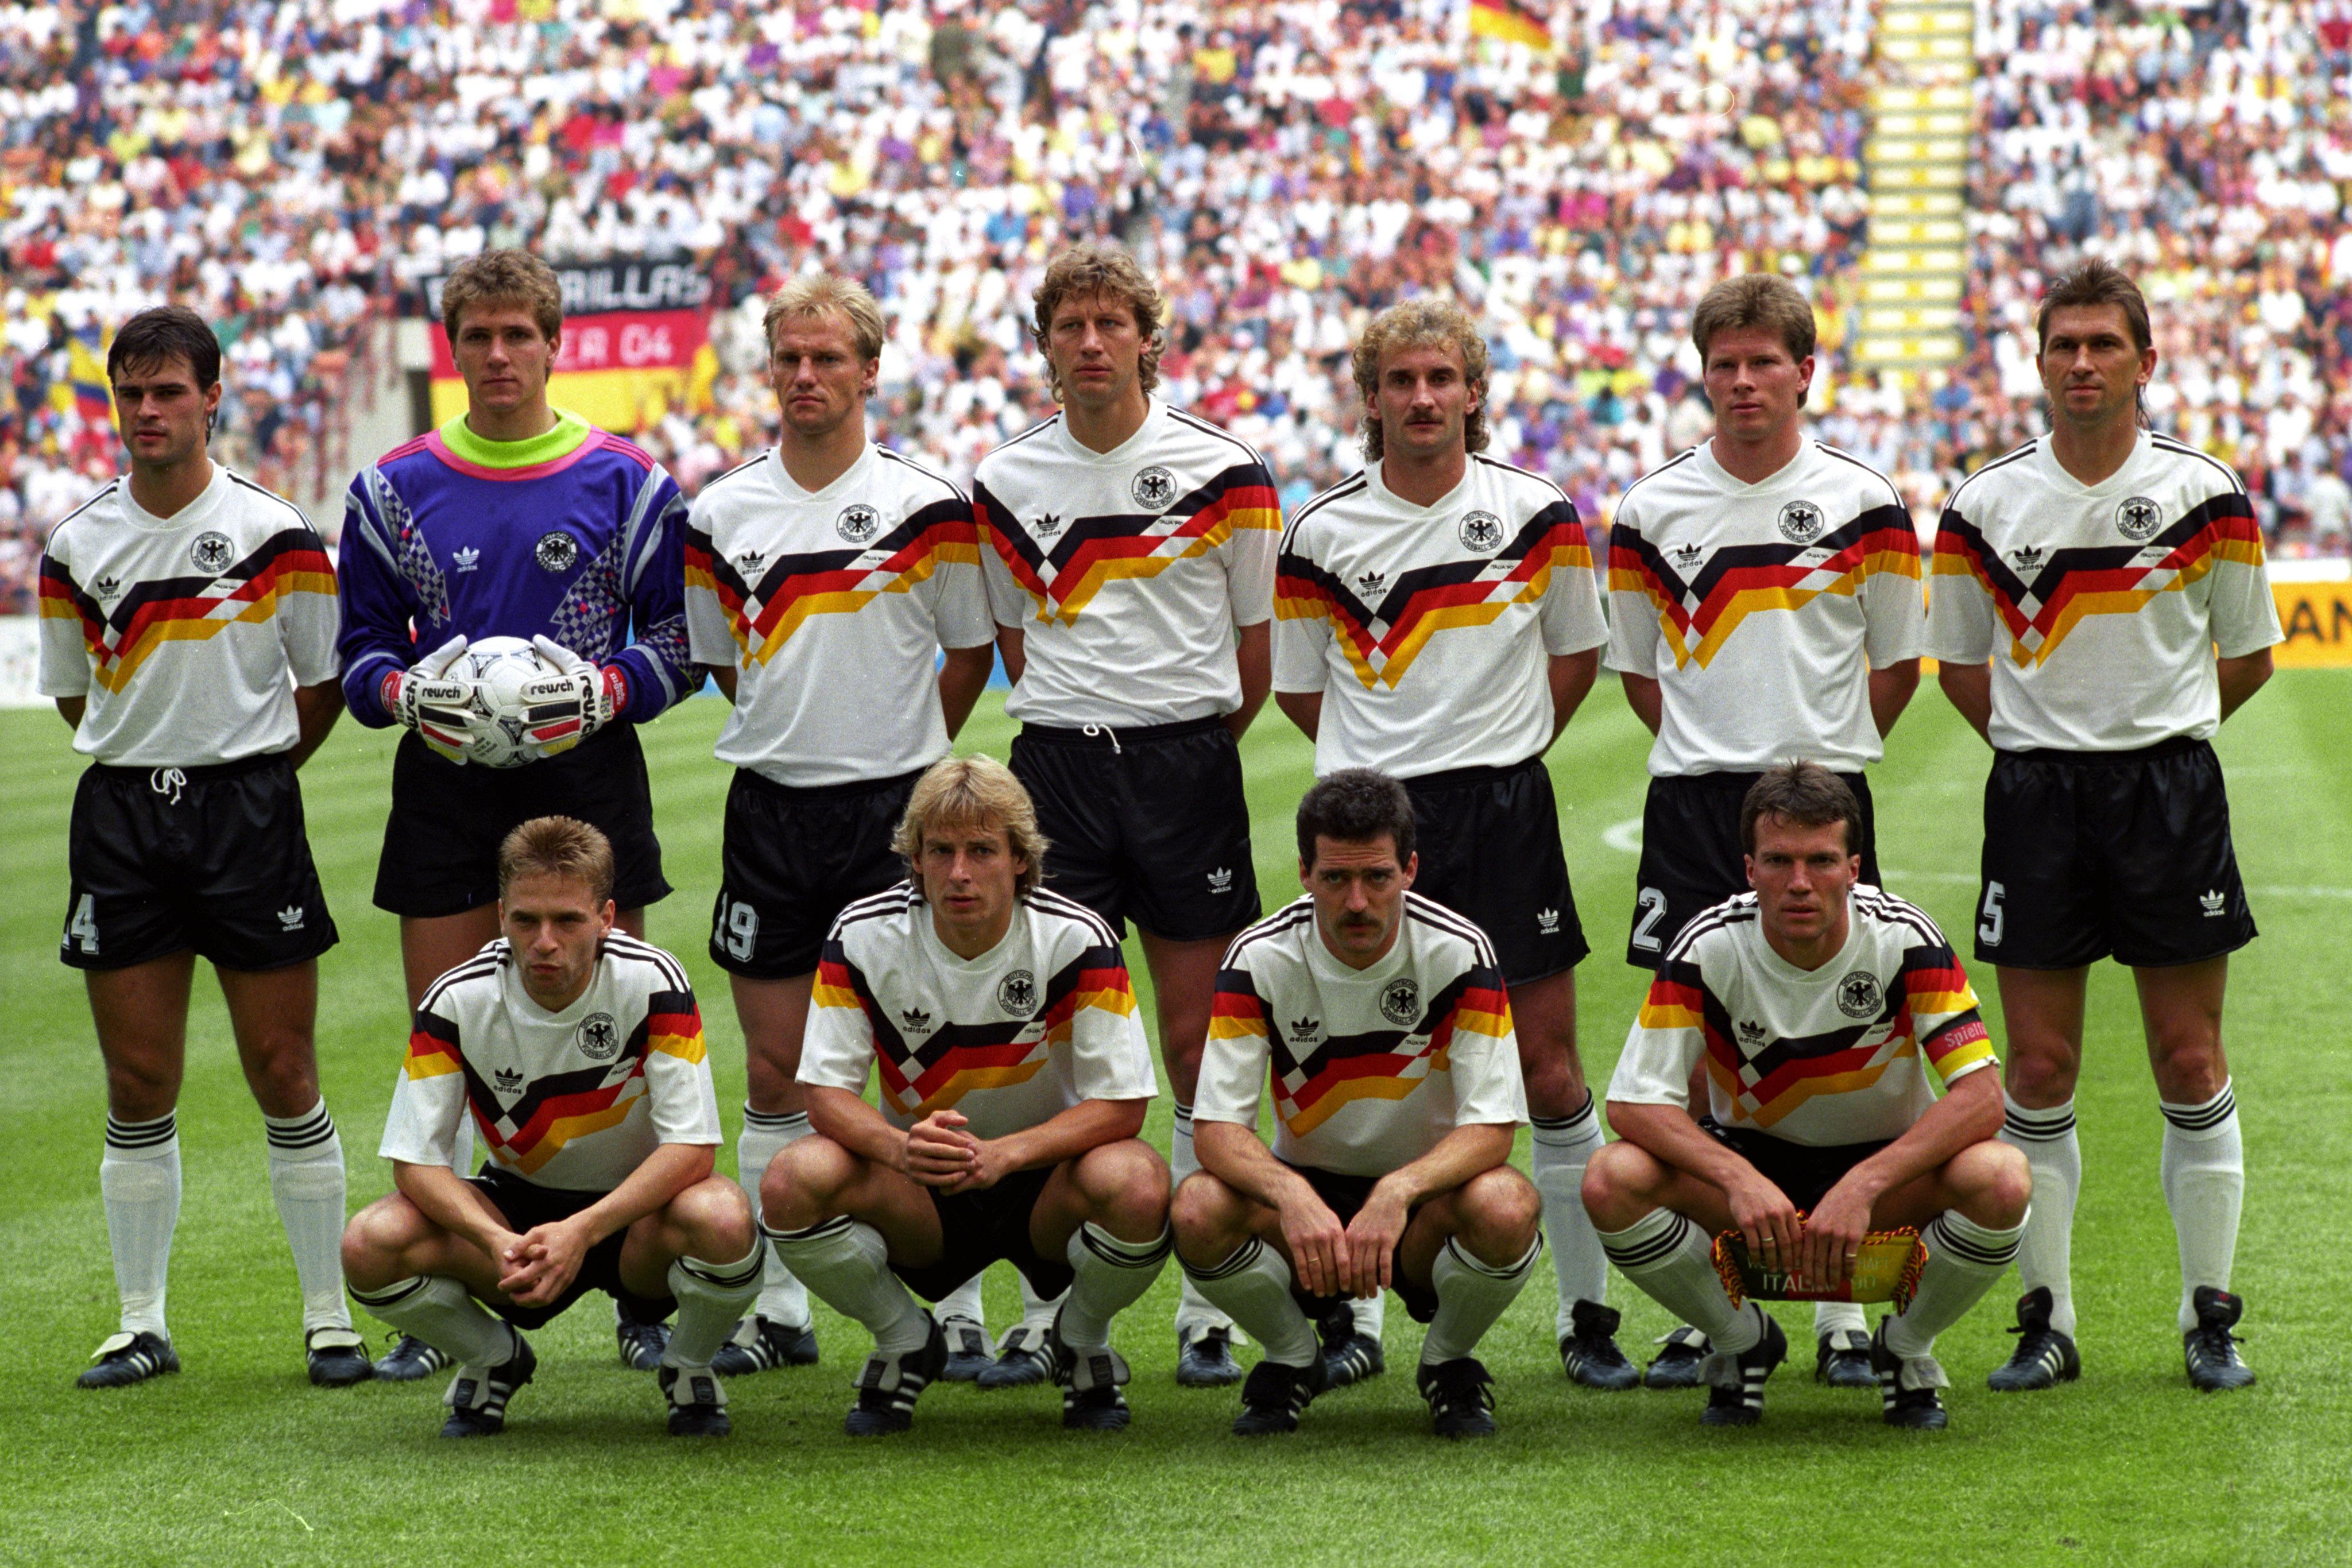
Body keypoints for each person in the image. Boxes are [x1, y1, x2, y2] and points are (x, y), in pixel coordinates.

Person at [337, 249, 697, 1381]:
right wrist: (405, 692)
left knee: (622, 1036)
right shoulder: (391, 488)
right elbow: (356, 661)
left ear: (556, 343)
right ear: (454, 349)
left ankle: (640, 1290)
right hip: (445, 786)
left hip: (587, 775)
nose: (498, 355)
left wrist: (603, 688)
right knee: (443, 1034)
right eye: (477, 336)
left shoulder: (626, 483)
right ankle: (434, 1301)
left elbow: (677, 650)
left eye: (518, 335)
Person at [1926, 260, 2277, 1393]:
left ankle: (2206, 1315)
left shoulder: (2202, 493)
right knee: (2035, 1065)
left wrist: (2151, 734)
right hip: (2034, 797)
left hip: (2166, 794)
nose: (2081, 364)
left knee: (2187, 1056)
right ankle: (2046, 1319)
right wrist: (2048, 745)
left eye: (2103, 345)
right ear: (2036, 363)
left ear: (2143, 362)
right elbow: (1960, 667)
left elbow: (2247, 653)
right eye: (2062, 345)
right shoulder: (1982, 503)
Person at [1271, 296, 1630, 1389]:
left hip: (1502, 810)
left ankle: (1589, 1319)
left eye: (1441, 379)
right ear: (1369, 400)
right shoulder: (1321, 533)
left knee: (1550, 1068)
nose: (1421, 399)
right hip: (1373, 822)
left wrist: (1501, 750)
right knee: (1377, 1073)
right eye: (1399, 382)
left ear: (1474, 391)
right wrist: (1383, 782)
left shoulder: (1536, 513)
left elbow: (1574, 656)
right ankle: (1359, 1322)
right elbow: (1298, 689)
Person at [1605, 273, 1924, 1390]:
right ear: (1702, 372)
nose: (1741, 382)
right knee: (1692, 1063)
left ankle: (1842, 1310)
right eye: (1722, 362)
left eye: (1762, 362)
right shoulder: (1648, 510)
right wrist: (1717, 750)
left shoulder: (1863, 502)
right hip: (1692, 798)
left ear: (1803, 371)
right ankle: (1721, 1308)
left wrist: (1812, 767)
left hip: (1821, 797)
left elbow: (1895, 667)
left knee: (1839, 1049)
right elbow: (1642, 680)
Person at [37, 304, 366, 1390]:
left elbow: (319, 688)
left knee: (285, 1067)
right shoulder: (75, 546)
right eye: (130, 393)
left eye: (168, 391)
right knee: (138, 1077)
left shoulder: (277, 534)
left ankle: (329, 1320)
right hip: (125, 819)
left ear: (212, 397)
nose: (146, 411)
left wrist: (252, 775)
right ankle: (141, 1322)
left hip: (249, 815)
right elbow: (76, 698)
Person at [972, 241, 1278, 1387]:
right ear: (1044, 343)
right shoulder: (1003, 481)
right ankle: (1039, 1303)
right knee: (1043, 1047)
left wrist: (1183, 744)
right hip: (1054, 774)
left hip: (1186, 768)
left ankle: (1207, 1299)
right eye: (1068, 325)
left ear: (1149, 339)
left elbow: (1254, 648)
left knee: (1199, 1039)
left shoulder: (1223, 471)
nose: (1089, 342)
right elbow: (1014, 642)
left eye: (1109, 323)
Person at [684, 273, 996, 1381]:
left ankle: (955, 1307)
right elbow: (723, 661)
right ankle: (782, 1306)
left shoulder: (929, 507)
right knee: (776, 1067)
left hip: (897, 813)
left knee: (924, 1061)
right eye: (789, 359)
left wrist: (901, 759)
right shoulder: (720, 512)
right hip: (770, 807)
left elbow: (968, 653)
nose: (806, 377)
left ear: (869, 369)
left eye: (828, 359)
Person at [1583, 764, 2033, 1429]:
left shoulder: (1904, 938)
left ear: (1854, 868)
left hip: (1880, 1178)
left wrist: (1863, 1184)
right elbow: (1632, 1104)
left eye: (1820, 860)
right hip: (1753, 1175)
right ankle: (1741, 1344)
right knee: (1610, 1179)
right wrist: (1737, 1178)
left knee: (2001, 1178)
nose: (1799, 882)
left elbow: (1982, 1096)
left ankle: (1905, 1350)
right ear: (1748, 868)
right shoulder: (1707, 945)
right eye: (1779, 861)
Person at [760, 756, 1173, 1435]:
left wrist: (1007, 1154)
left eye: (982, 850)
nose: (959, 873)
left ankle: (1081, 1338)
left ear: (1019, 858)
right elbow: (826, 1094)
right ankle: (903, 1341)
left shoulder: (1075, 938)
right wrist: (900, 1148)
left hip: (1044, 1182)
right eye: (940, 851)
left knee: (1137, 1182)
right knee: (792, 1179)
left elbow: (1123, 1105)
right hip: (921, 1185)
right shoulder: (863, 934)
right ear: (913, 860)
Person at [341, 818, 764, 1438]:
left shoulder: (653, 982)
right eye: (525, 920)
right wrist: (493, 1240)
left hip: (637, 1214)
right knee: (370, 1243)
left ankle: (688, 1364)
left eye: (567, 920)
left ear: (606, 917)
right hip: (516, 1212)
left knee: (724, 1220)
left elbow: (692, 1147)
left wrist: (582, 1231)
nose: (544, 941)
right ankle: (493, 1358)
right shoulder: (455, 999)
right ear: (500, 915)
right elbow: (414, 1160)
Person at [1174, 770, 1542, 1438]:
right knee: (1198, 1207)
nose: (1356, 902)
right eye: (1335, 879)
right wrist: (1290, 1195)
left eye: (1376, 877)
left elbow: (1491, 1129)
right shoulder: (1258, 958)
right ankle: (1292, 1359)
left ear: (1410, 869)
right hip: (1307, 1203)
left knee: (1507, 1204)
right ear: (1304, 874)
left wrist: (1397, 1191)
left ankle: (1447, 1363)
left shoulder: (1459, 952)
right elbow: (1216, 1131)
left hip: (1423, 1200)